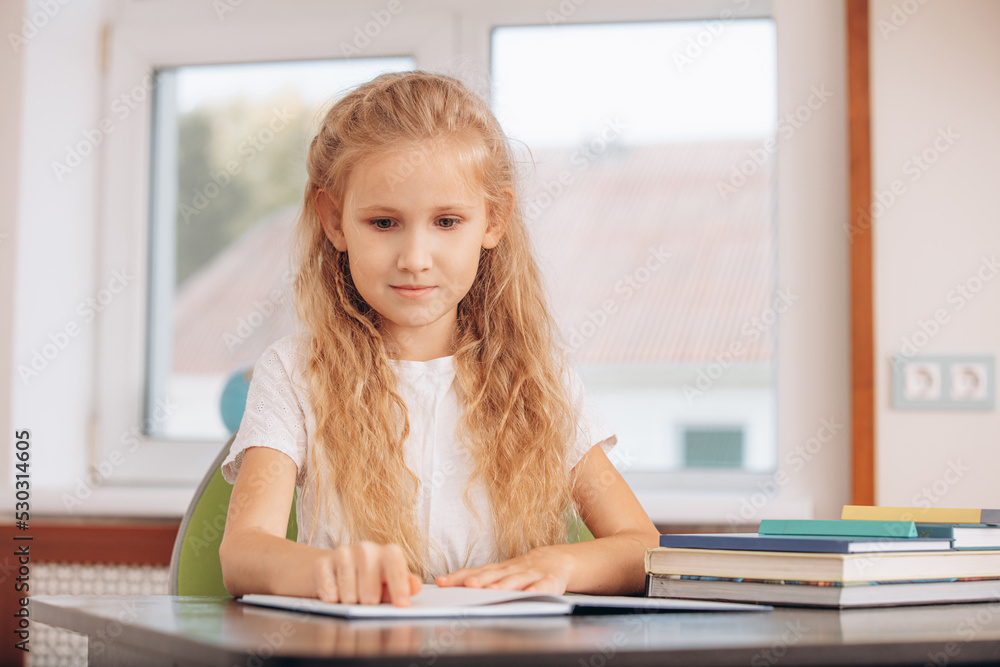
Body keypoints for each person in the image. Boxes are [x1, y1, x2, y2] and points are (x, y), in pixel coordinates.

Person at [218, 71, 659, 607]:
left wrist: (559, 563)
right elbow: (242, 552)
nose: (415, 258)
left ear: (493, 221)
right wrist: (333, 572)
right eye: (384, 223)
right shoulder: (295, 372)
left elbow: (642, 549)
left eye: (447, 221)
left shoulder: (540, 383)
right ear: (334, 221)